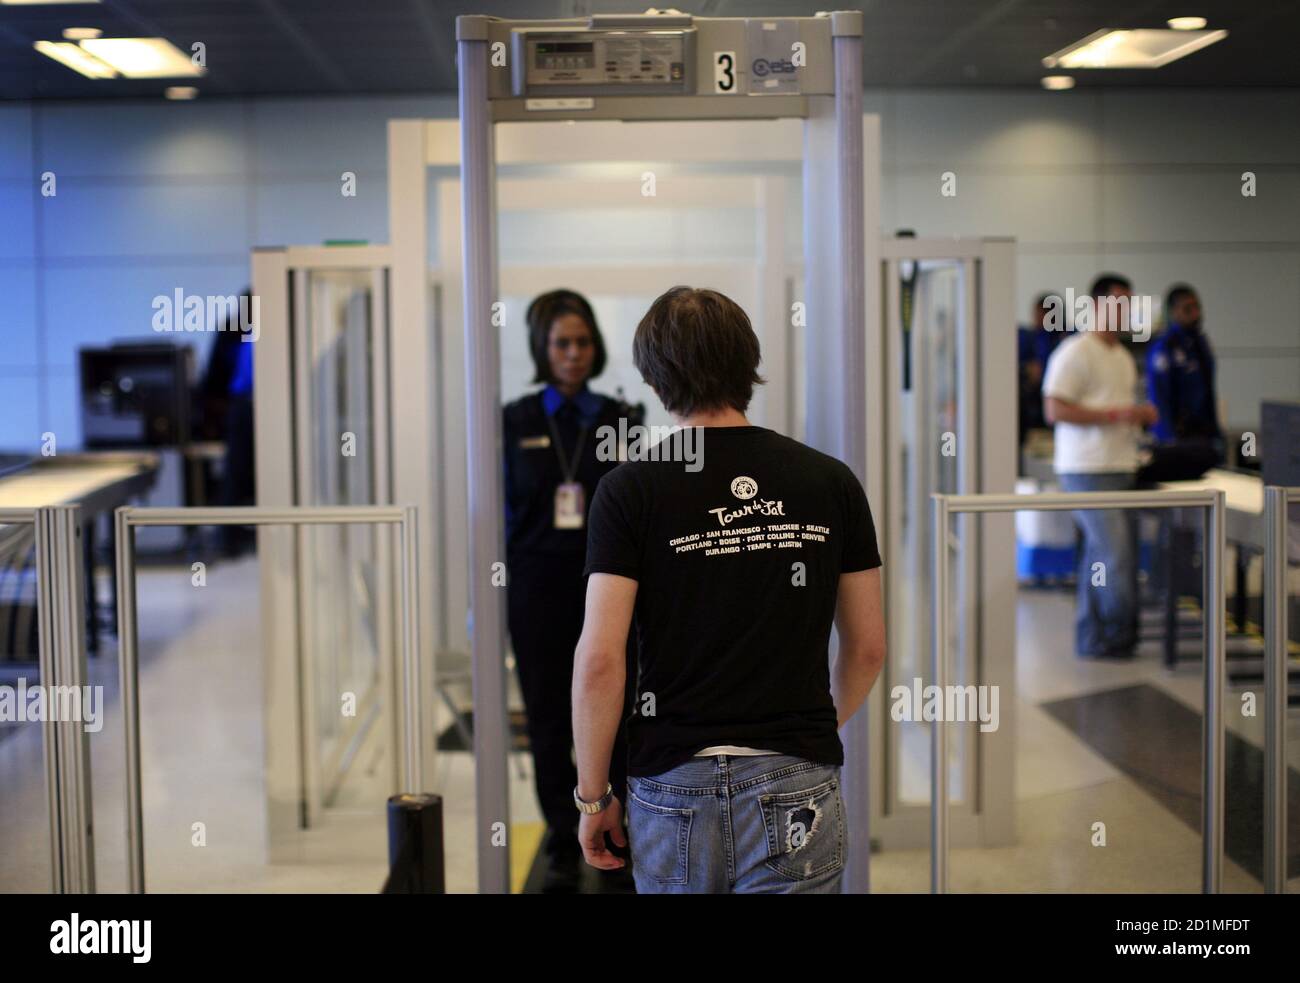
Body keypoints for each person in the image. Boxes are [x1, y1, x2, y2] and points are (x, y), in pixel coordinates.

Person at [570, 286, 887, 894]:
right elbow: (868, 647)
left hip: (671, 783)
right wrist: (801, 734)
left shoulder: (630, 490)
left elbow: (600, 661)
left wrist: (593, 798)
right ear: (749, 366)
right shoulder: (830, 481)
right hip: (798, 783)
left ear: (655, 378)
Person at [502, 289, 640, 893]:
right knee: (549, 715)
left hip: (607, 588)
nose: (574, 353)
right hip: (535, 586)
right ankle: (563, 837)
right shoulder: (514, 420)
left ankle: (615, 829)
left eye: (583, 342)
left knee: (617, 710)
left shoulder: (622, 418)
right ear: (542, 347)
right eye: (562, 342)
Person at [1042, 274, 1159, 658]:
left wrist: (1136, 416)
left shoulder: (1123, 357)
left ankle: (1095, 638)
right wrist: (1115, 414)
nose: (1124, 311)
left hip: (1121, 466)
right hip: (1086, 469)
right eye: (1118, 303)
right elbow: (1054, 408)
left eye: (1129, 303)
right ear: (1096, 306)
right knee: (1114, 554)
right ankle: (1116, 632)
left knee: (1101, 556)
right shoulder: (1076, 351)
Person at [1146, 284, 1224, 464]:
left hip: (1203, 432)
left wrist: (1215, 432)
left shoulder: (1200, 344)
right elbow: (1159, 396)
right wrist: (1168, 439)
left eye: (1197, 307)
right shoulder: (1165, 347)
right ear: (1173, 312)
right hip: (1177, 434)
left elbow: (1208, 391)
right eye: (1187, 309)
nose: (1195, 314)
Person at [1017, 292, 1064, 444]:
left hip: (1055, 396)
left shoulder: (1065, 338)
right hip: (1032, 399)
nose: (1036, 318)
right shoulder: (1028, 336)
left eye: (1040, 314)